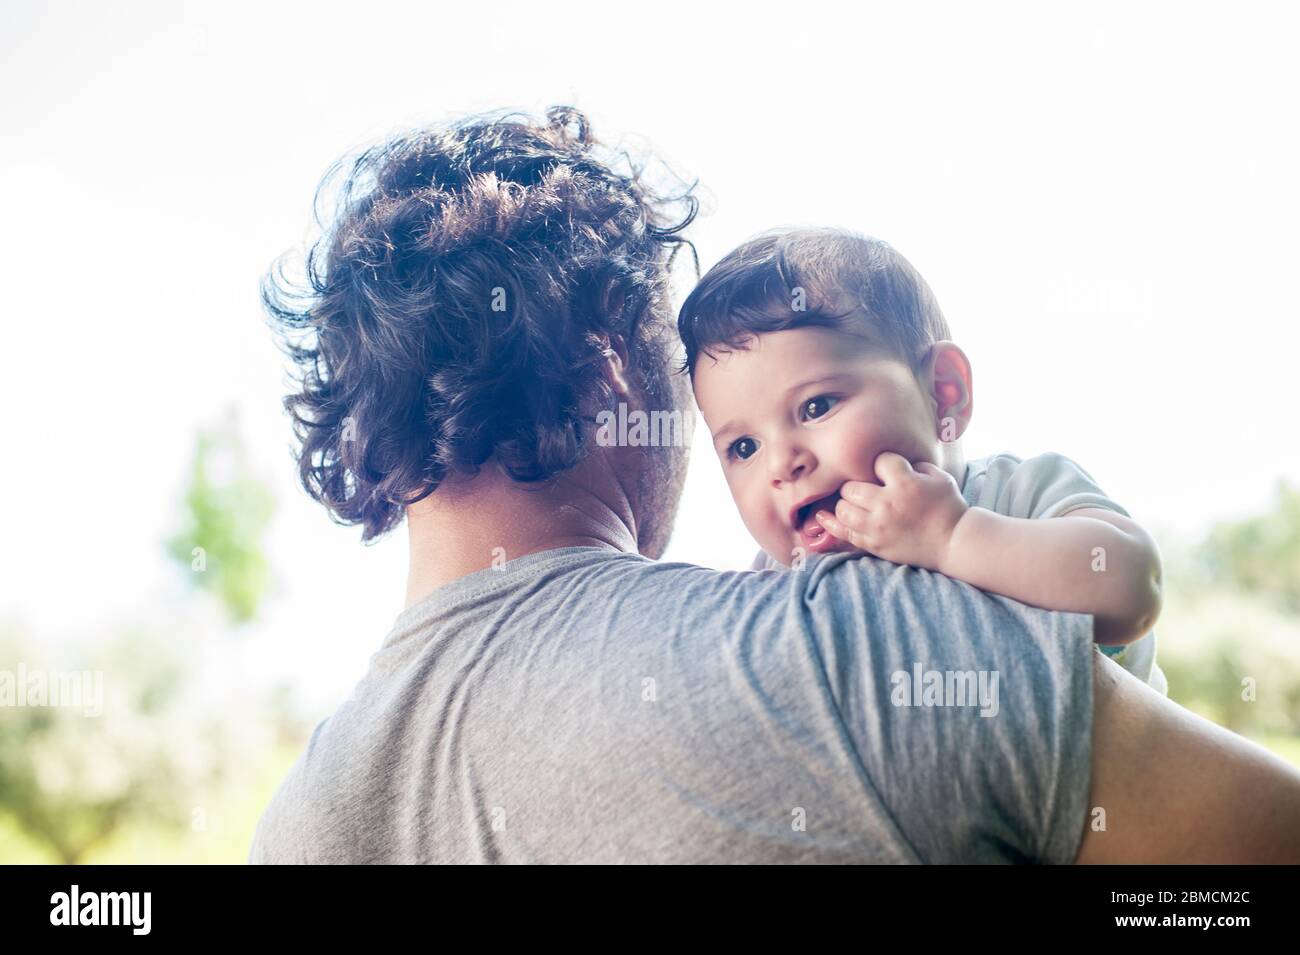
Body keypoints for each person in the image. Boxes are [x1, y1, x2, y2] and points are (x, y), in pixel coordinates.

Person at [248, 106, 1300, 864]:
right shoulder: (869, 637)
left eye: (812, 407)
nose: (780, 460)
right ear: (620, 358)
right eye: (734, 438)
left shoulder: (295, 826)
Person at [678, 227, 1166, 692]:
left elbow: (1131, 586)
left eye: (816, 406)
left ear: (942, 393)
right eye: (745, 448)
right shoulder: (775, 582)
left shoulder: (1016, 494)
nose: (783, 464)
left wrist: (953, 539)